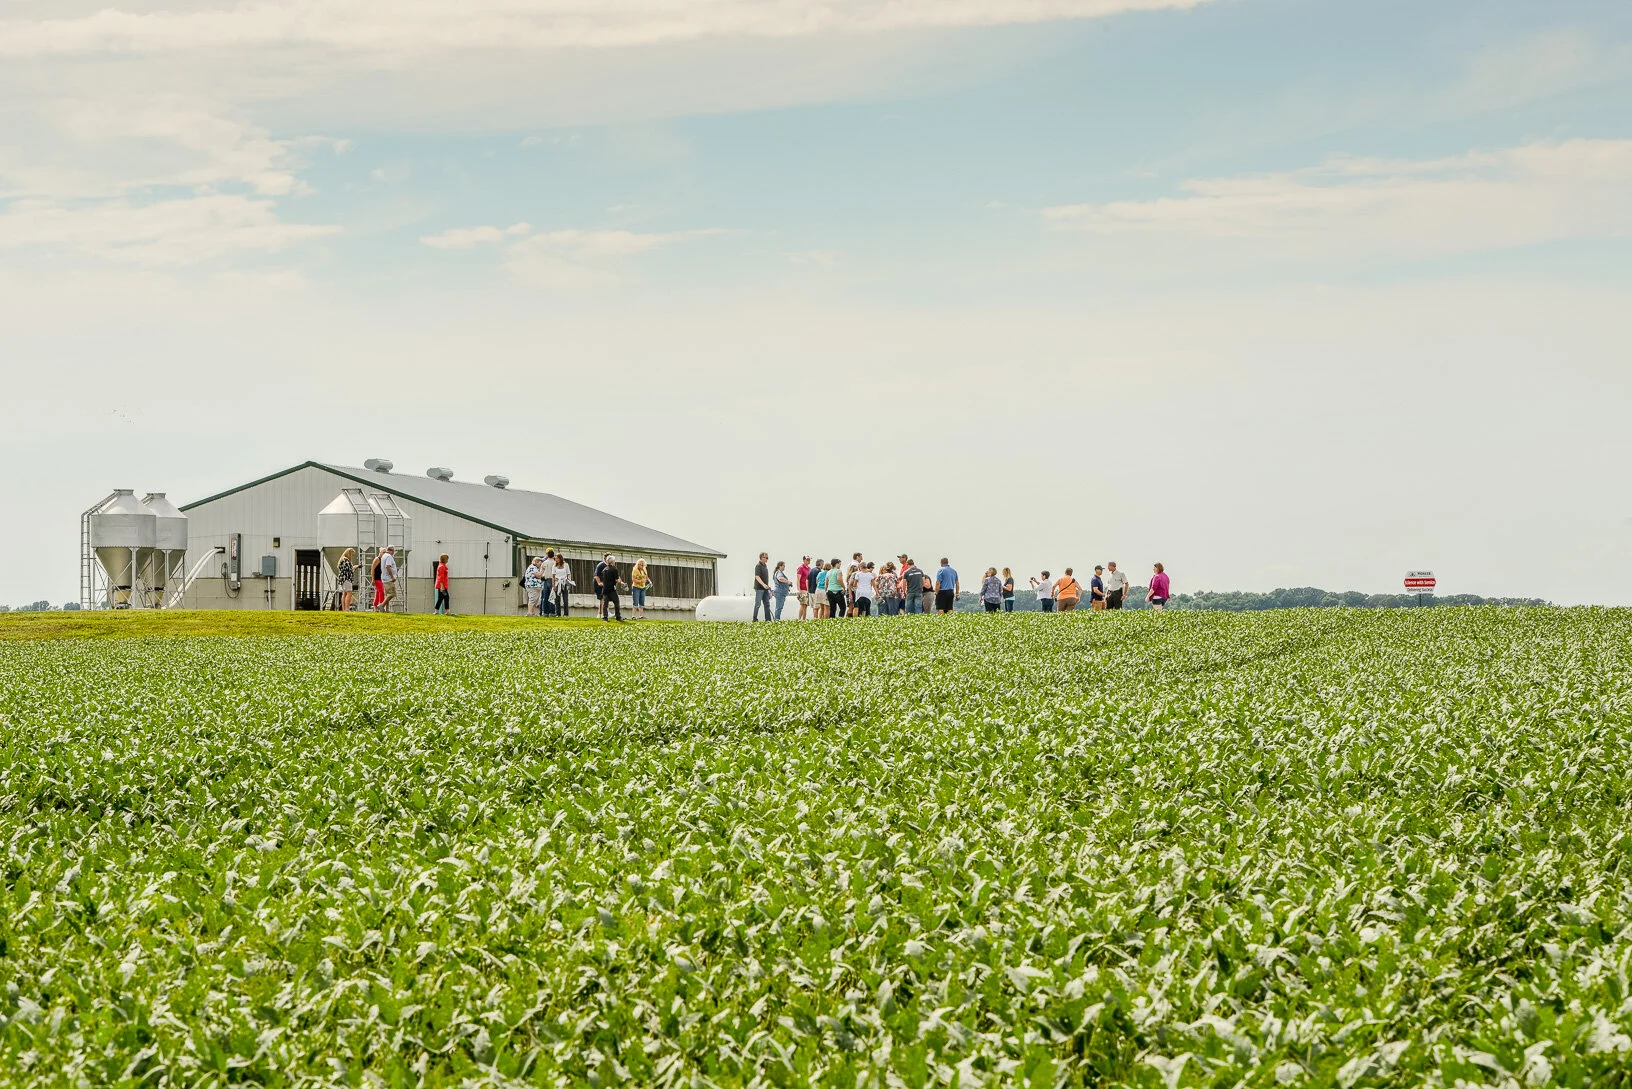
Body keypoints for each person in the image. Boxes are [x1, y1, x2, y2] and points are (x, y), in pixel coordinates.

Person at [599, 555, 624, 621]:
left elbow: (602, 580)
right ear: (612, 562)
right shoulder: (614, 569)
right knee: (616, 602)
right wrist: (620, 582)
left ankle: (605, 618)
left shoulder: (604, 570)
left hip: (605, 589)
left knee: (605, 604)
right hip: (612, 589)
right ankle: (618, 616)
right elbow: (616, 580)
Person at [751, 553, 773, 622]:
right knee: (758, 604)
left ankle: (768, 620)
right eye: (765, 557)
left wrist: (767, 586)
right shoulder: (758, 566)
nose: (766, 559)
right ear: (761, 558)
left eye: (767, 558)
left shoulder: (765, 566)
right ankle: (755, 619)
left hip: (765, 589)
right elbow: (757, 576)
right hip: (759, 588)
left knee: (767, 604)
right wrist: (763, 584)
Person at [378, 546, 399, 612]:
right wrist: (392, 576)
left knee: (387, 595)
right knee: (392, 594)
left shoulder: (384, 556)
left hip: (384, 577)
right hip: (388, 578)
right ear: (392, 551)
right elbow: (388, 566)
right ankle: (382, 605)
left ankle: (387, 609)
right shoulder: (389, 556)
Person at [336, 548, 357, 612]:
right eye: (351, 554)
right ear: (349, 553)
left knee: (344, 593)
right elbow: (348, 570)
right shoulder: (346, 560)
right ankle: (347, 608)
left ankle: (344, 608)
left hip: (342, 579)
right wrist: (355, 567)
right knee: (349, 593)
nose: (352, 556)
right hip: (347, 578)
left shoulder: (342, 559)